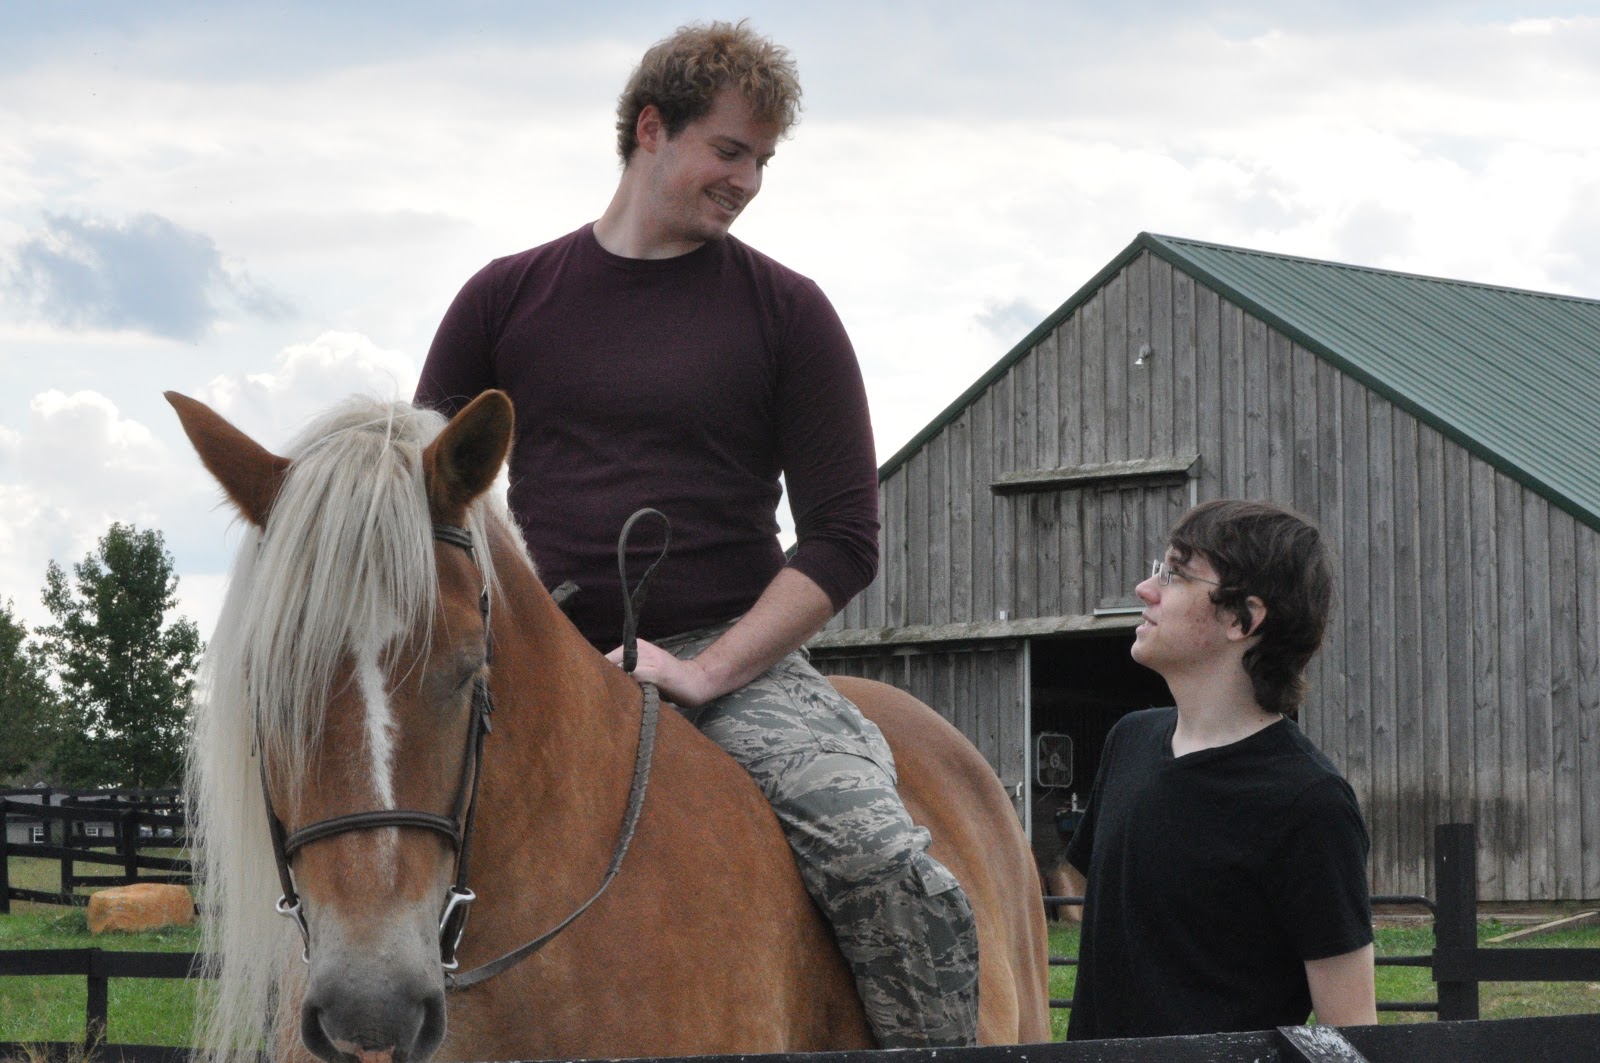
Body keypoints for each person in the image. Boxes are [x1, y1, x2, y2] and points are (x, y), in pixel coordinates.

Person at [413, 20, 978, 1049]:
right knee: (367, 836)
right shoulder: (503, 298)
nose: (749, 179)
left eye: (763, 159)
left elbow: (845, 537)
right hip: (540, 658)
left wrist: (710, 670)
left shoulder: (789, 313)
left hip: (739, 667)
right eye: (730, 149)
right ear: (650, 130)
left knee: (884, 864)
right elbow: (426, 504)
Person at [1066, 499, 1375, 1039]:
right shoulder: (1129, 743)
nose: (1146, 589)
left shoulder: (1309, 803)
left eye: (1176, 574)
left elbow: (1351, 1033)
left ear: (1243, 619)